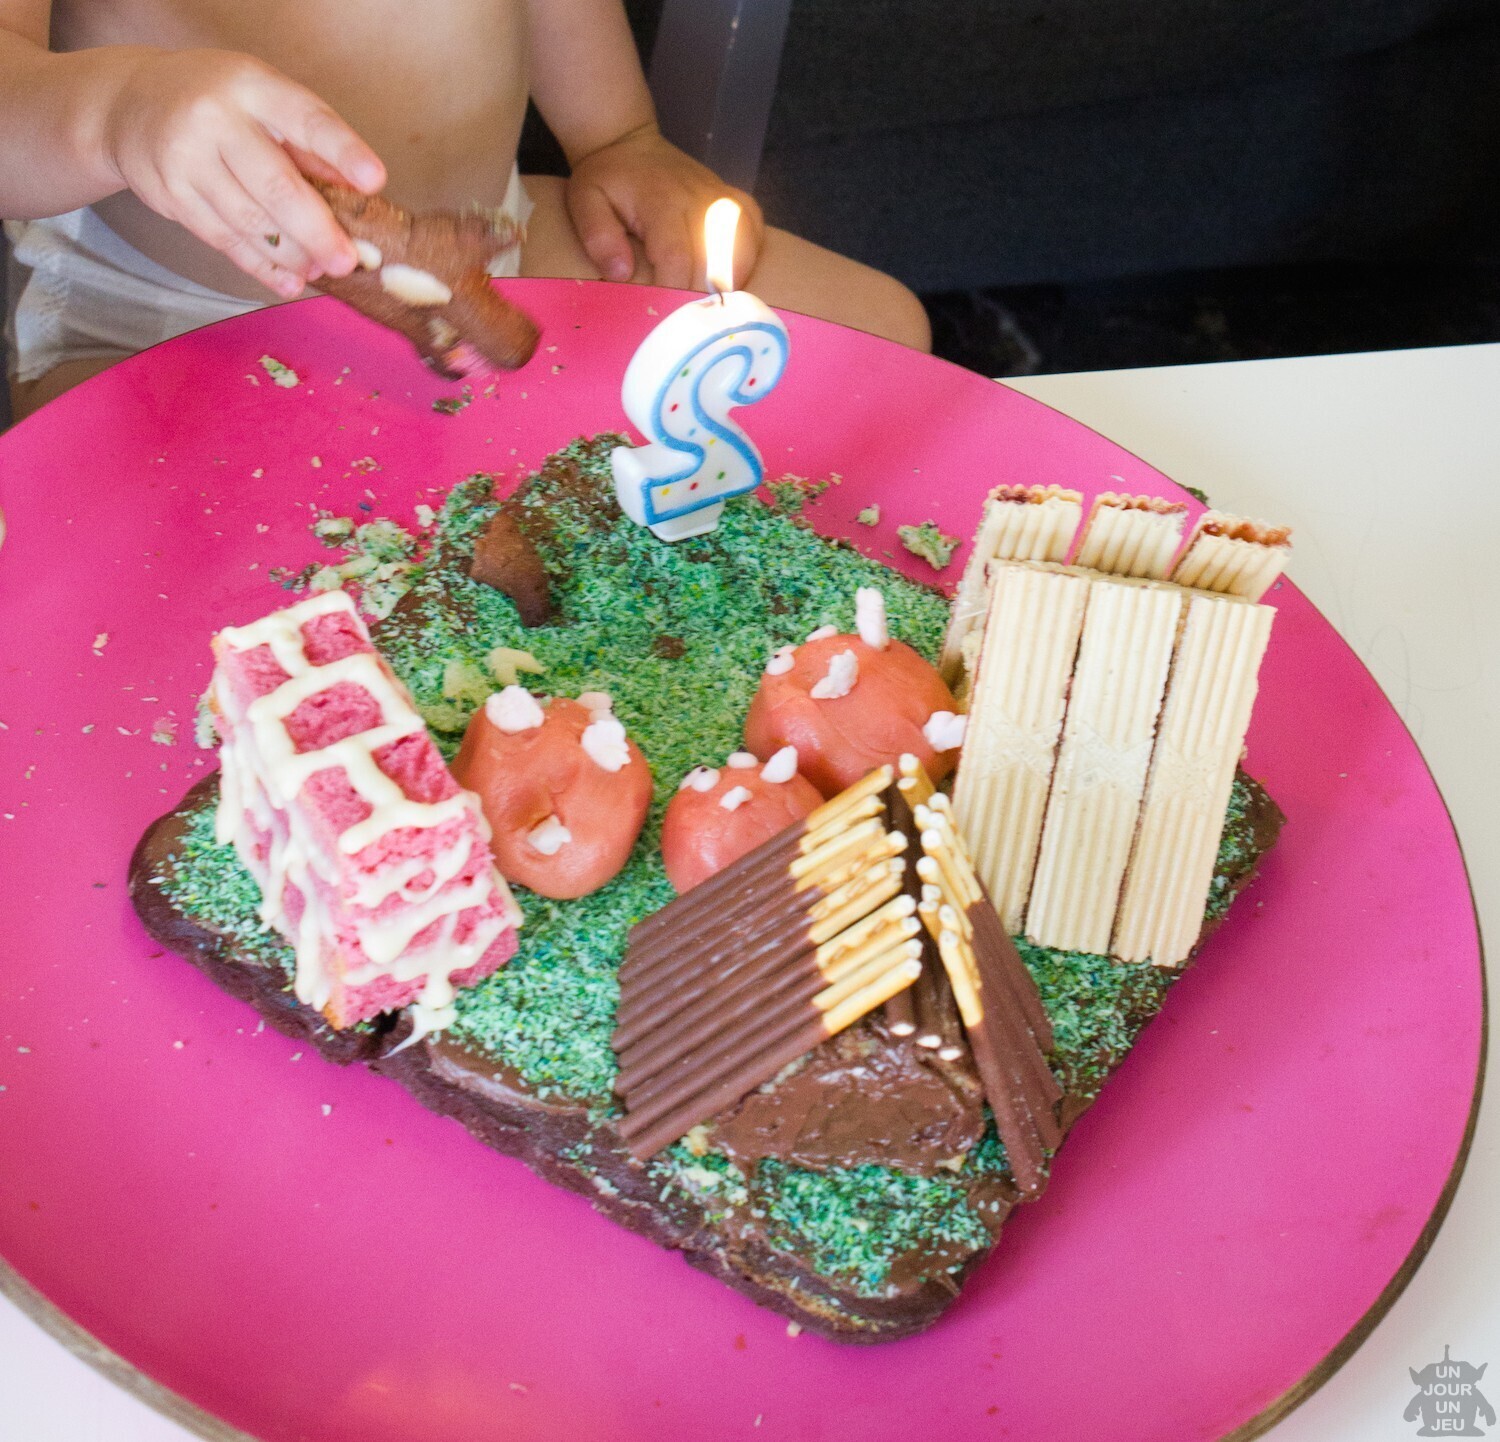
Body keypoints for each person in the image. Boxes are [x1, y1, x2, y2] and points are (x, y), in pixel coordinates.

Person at [0, 0, 932, 421]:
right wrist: (118, 112)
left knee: (884, 340)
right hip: (167, 328)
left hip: (501, 253)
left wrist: (619, 139)